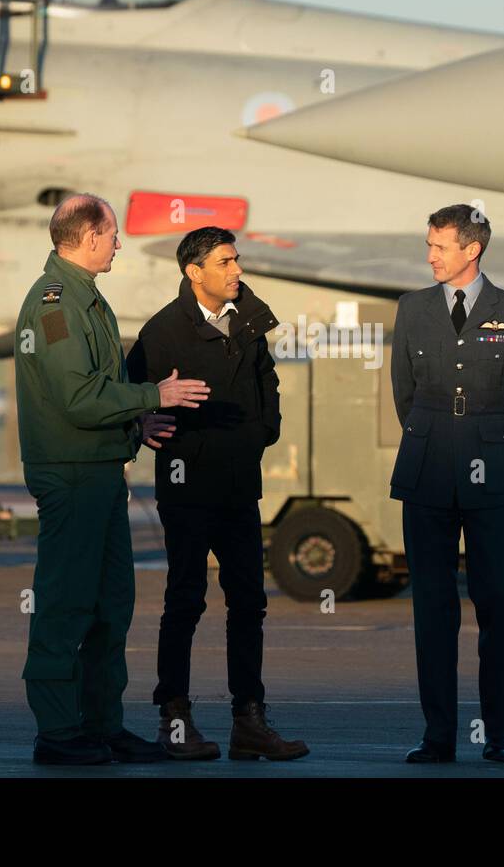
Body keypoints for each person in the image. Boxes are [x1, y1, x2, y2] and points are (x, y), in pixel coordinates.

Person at [15, 193, 209, 765]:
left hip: (99, 471)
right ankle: (57, 732)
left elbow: (96, 390)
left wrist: (137, 418)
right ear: (88, 236)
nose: (119, 242)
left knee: (109, 606)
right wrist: (156, 394)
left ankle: (102, 725)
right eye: (113, 233)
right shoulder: (55, 305)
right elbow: (76, 397)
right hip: (72, 474)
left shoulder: (86, 300)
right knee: (65, 603)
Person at [127, 226, 309, 761]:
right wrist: (144, 423)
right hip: (186, 485)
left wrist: (262, 431)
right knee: (185, 599)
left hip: (238, 484)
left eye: (237, 260)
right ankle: (174, 719)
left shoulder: (249, 320)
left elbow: (267, 382)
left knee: (249, 601)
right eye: (225, 262)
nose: (237, 271)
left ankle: (249, 720)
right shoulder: (162, 332)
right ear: (194, 272)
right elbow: (132, 392)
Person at [389, 203, 504, 763]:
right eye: (429, 245)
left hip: (492, 477)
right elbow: (404, 394)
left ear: (471, 250)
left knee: (501, 602)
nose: (430, 255)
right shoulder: (411, 310)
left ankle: (498, 733)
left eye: (439, 246)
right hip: (427, 472)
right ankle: (438, 736)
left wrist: (492, 447)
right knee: (432, 610)